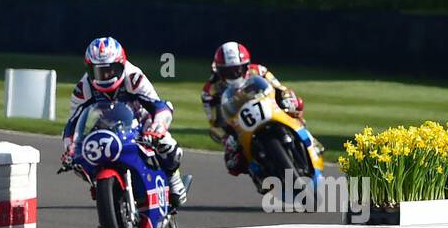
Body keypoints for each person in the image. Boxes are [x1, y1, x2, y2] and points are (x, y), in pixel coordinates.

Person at [62, 36, 189, 208]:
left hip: (139, 118)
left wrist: (156, 128)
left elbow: (158, 105)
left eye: (111, 70)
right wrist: (70, 149)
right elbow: (72, 123)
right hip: (105, 124)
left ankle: (174, 180)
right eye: (99, 71)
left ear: (121, 65)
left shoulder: (133, 76)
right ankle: (101, 188)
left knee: (166, 142)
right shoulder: (83, 87)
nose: (105, 76)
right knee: (79, 162)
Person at [200, 41, 316, 187]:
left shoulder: (259, 70)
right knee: (233, 163)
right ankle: (259, 173)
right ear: (218, 70)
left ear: (246, 65)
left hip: (268, 109)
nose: (234, 74)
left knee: (296, 103)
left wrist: (287, 99)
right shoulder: (209, 91)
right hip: (239, 125)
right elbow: (214, 121)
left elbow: (280, 89)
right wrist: (226, 138)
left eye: (237, 69)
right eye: (227, 71)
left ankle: (308, 139)